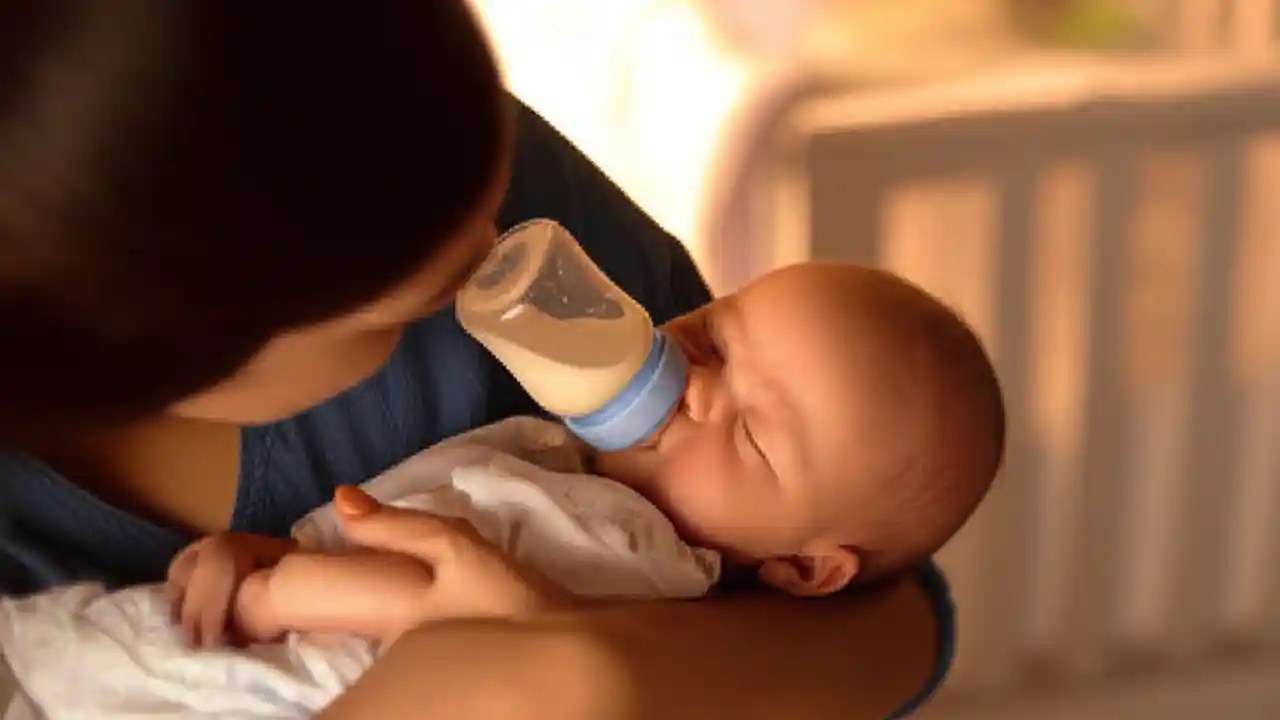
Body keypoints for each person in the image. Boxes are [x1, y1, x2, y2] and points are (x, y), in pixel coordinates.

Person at [0, 3, 956, 718]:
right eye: (397, 305)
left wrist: (593, 670)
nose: (502, 254)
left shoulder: (423, 139)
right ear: (163, 349)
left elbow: (895, 602)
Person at [2, 262, 1001, 718]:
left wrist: (274, 588)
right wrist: (261, 565)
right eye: (712, 338)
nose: (692, 385)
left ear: (799, 565)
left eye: (748, 434)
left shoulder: (635, 552)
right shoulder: (555, 459)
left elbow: (431, 616)